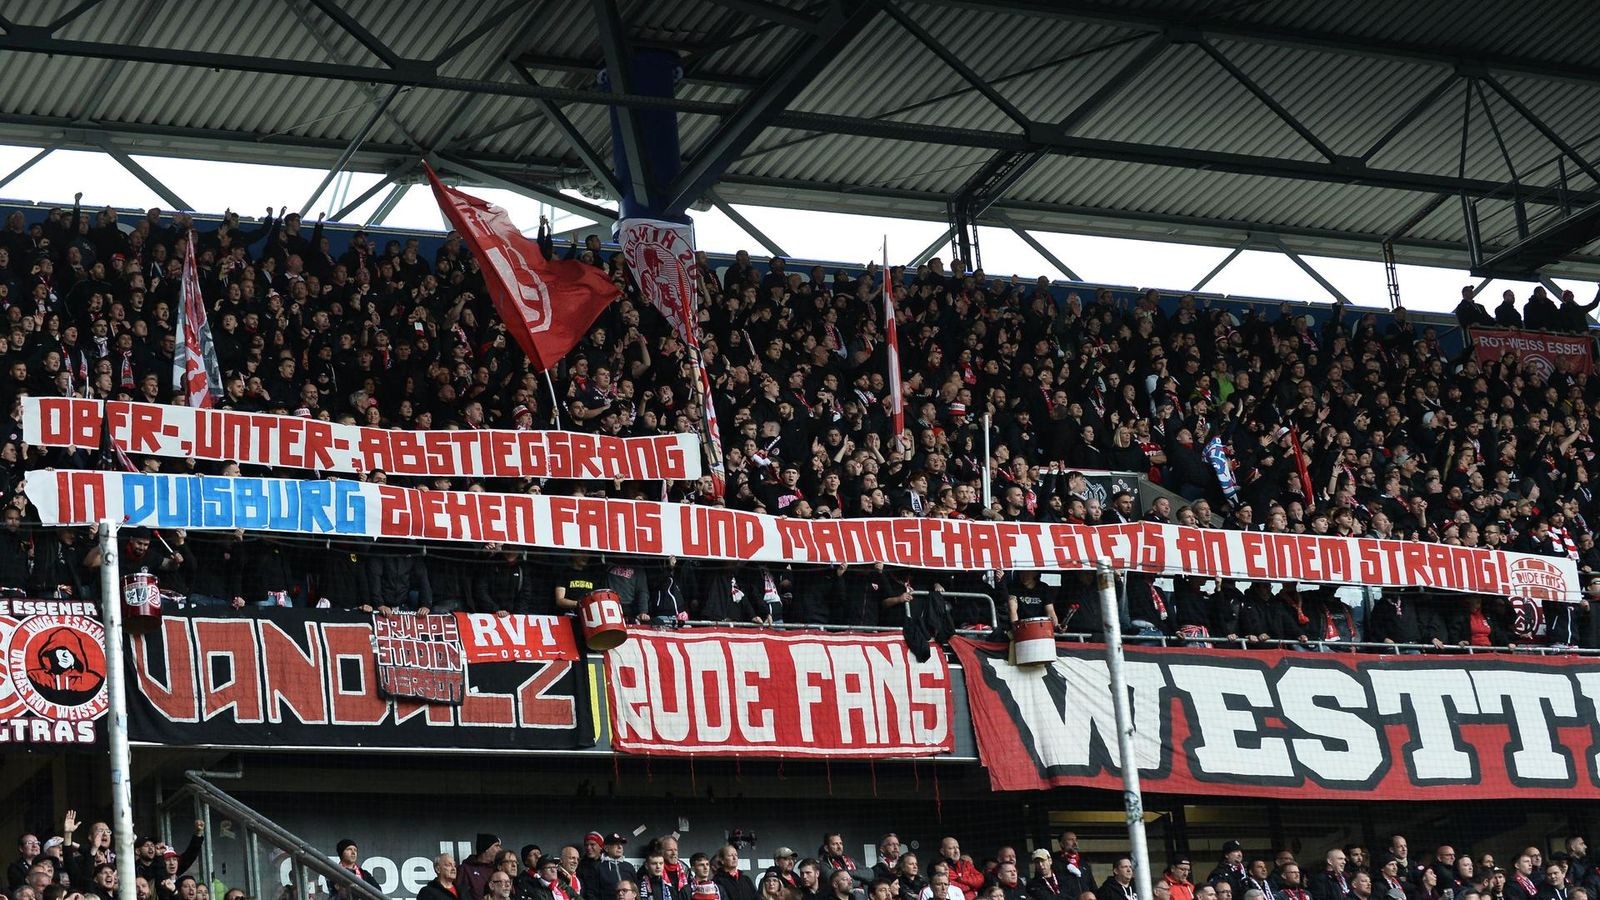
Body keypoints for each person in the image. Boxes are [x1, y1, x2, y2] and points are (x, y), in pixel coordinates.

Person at [597, 835, 638, 900]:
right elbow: (592, 893)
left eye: (621, 844)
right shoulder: (598, 867)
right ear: (606, 848)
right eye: (615, 844)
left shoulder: (629, 867)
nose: (620, 847)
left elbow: (636, 889)